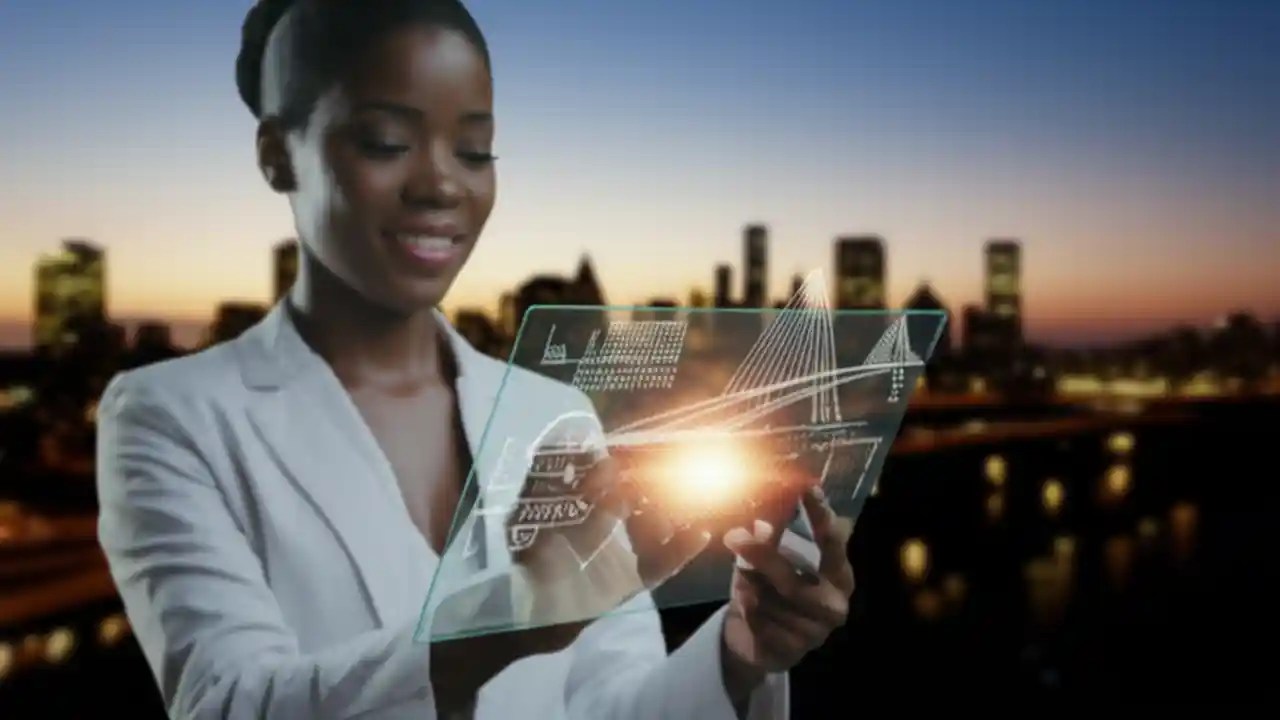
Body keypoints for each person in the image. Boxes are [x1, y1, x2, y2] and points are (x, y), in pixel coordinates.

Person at [94, 1, 856, 718]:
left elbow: (602, 704)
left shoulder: (548, 410)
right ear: (276, 154)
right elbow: (226, 702)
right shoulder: (173, 414)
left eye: (474, 150)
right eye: (386, 142)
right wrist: (503, 625)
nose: (441, 185)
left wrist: (739, 656)